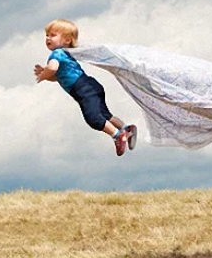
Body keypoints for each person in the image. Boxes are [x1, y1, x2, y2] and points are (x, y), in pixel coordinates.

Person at [34, 19, 137, 156]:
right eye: (47, 35)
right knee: (105, 115)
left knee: (94, 119)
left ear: (67, 40)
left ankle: (117, 135)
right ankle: (126, 129)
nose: (48, 38)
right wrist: (46, 74)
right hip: (90, 86)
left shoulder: (56, 54)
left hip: (83, 89)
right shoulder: (64, 55)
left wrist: (43, 75)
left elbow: (52, 69)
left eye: (53, 35)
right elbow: (57, 77)